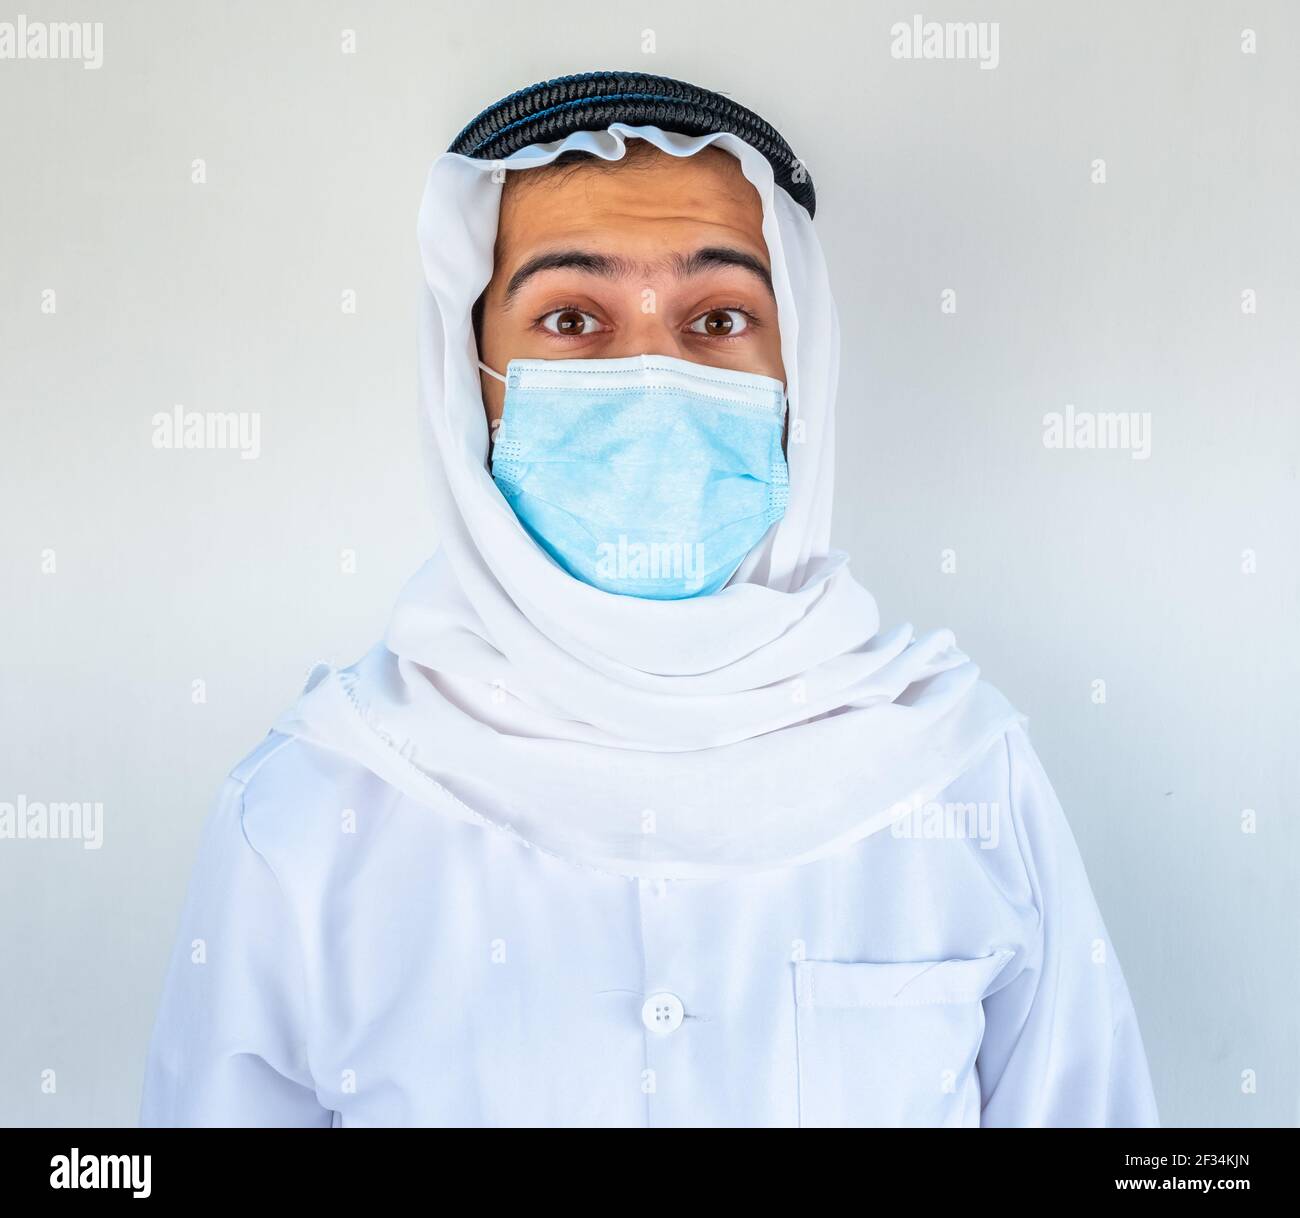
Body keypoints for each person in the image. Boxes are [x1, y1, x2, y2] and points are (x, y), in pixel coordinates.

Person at [139, 71, 1160, 1128]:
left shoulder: (959, 774)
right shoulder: (313, 808)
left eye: (717, 316)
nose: (651, 375)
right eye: (571, 317)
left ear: (794, 371)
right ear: (467, 382)